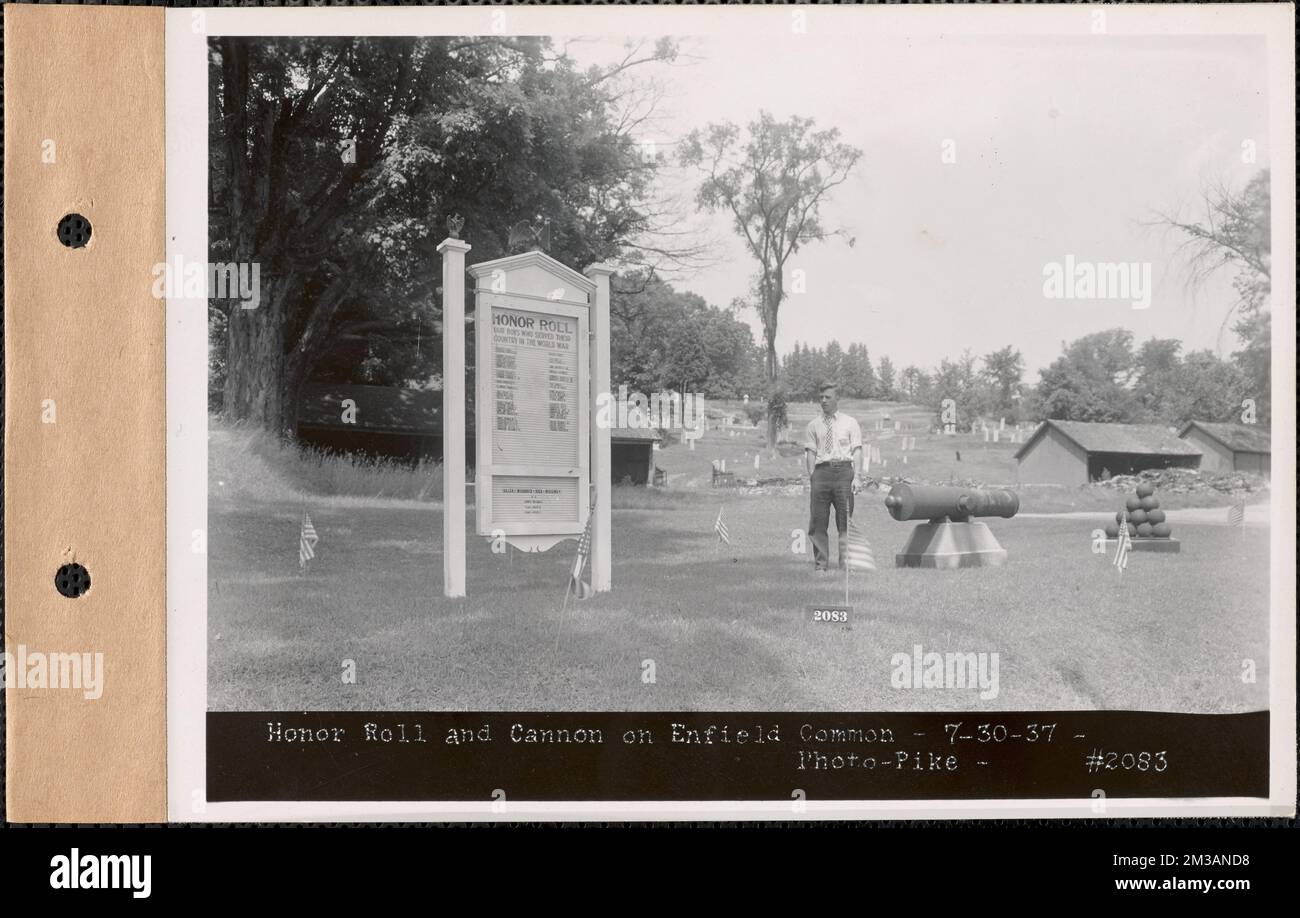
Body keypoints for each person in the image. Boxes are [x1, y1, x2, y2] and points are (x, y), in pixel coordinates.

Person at [803, 381, 863, 572]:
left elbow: (857, 450)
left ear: (837, 398)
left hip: (844, 473)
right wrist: (813, 476)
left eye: (828, 397)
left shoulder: (850, 422)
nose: (823, 401)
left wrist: (857, 477)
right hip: (821, 473)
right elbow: (810, 452)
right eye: (821, 397)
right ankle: (821, 565)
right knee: (818, 521)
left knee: (845, 521)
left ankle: (846, 565)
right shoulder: (813, 425)